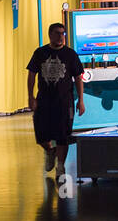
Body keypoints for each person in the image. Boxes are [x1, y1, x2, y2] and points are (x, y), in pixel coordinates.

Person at [27, 22, 86, 174]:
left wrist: (81, 100)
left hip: (64, 102)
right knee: (41, 135)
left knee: (63, 135)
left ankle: (60, 165)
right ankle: (49, 151)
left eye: (63, 34)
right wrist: (30, 96)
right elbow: (31, 75)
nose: (61, 37)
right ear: (50, 35)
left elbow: (78, 78)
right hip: (44, 101)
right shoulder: (40, 53)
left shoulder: (70, 54)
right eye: (57, 33)